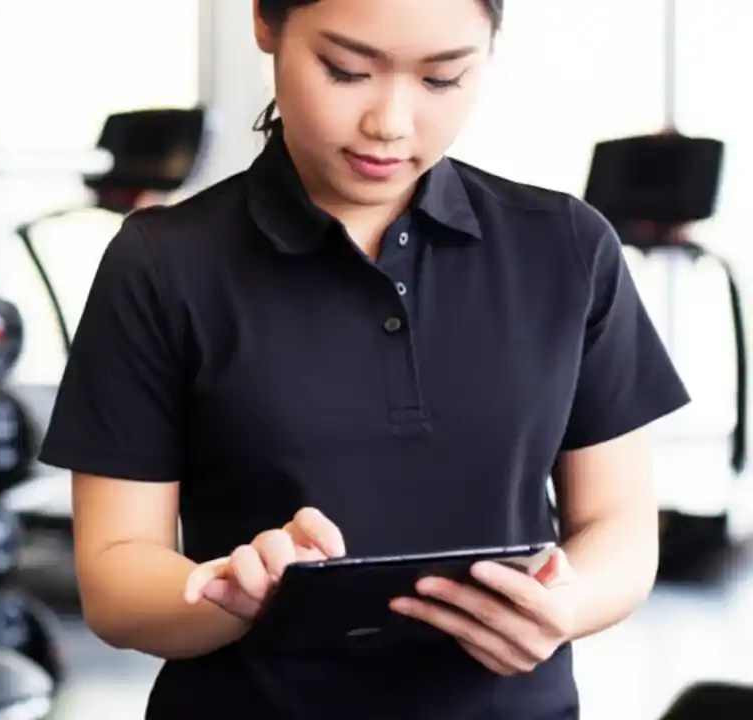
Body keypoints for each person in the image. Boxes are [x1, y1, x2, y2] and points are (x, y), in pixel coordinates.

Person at [37, 0, 691, 717]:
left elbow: (620, 527)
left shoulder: (566, 247)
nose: (391, 122)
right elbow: (116, 576)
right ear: (265, 20)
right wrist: (234, 592)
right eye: (346, 70)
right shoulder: (162, 264)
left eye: (442, 80)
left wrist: (567, 604)